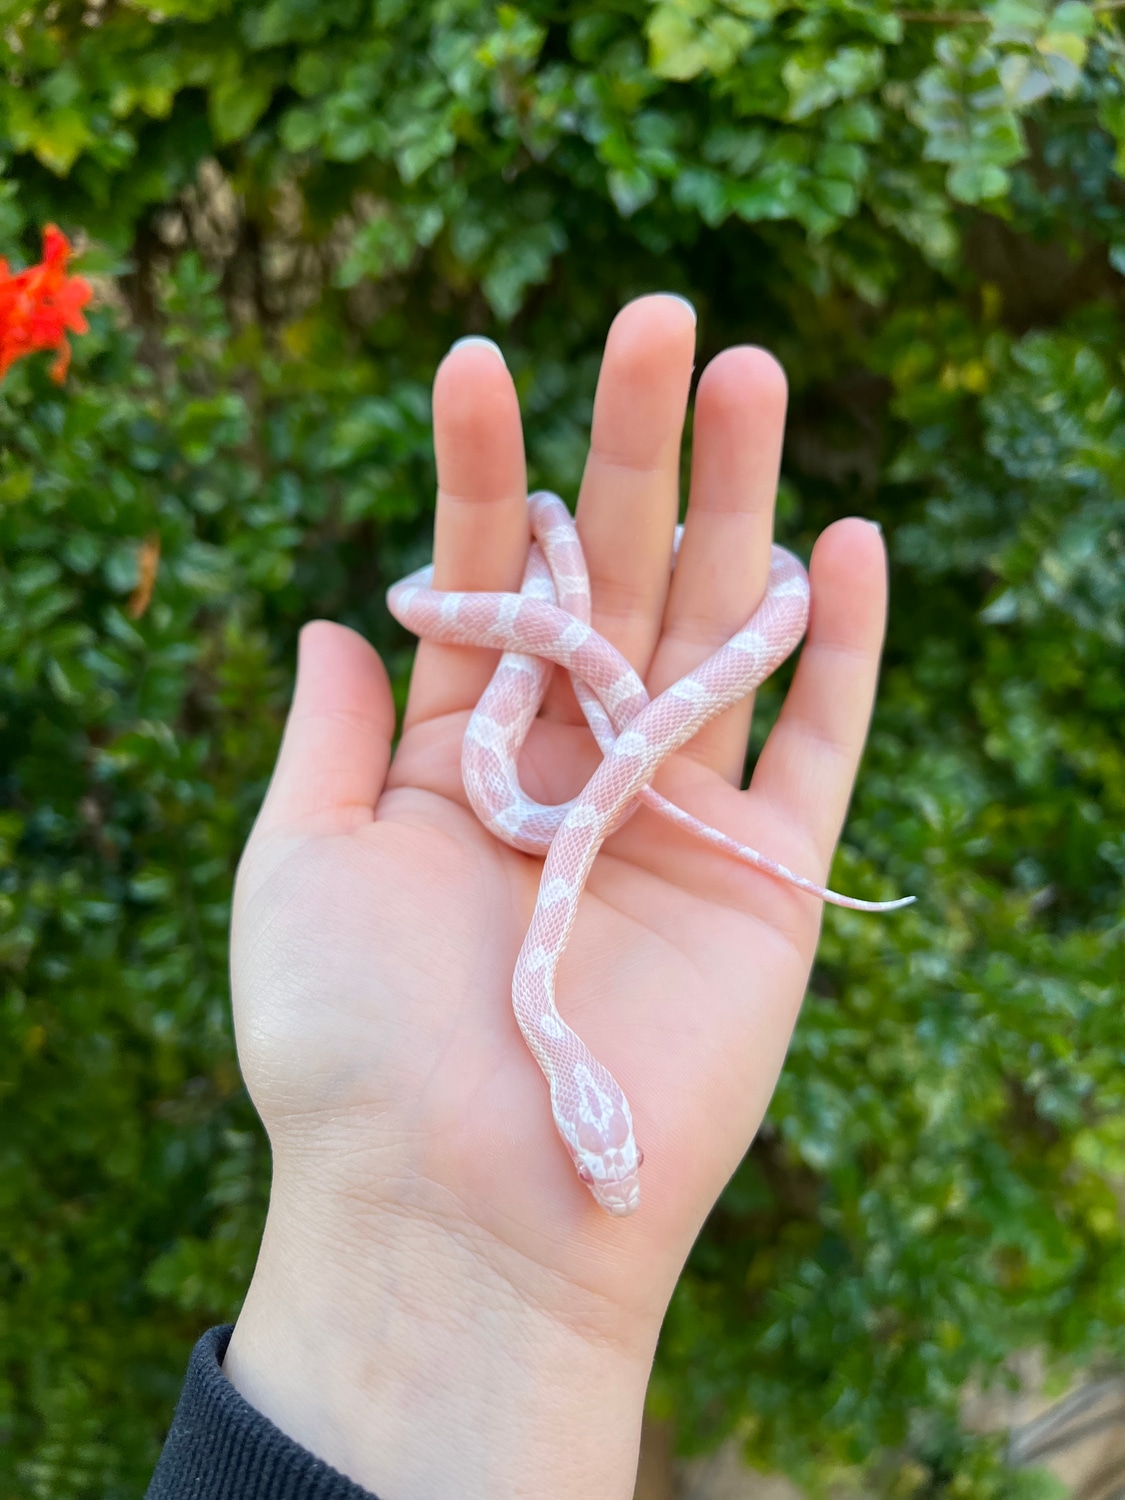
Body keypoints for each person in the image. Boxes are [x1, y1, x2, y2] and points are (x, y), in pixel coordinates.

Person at [147, 293, 894, 1499]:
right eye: (612, 1162)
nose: (611, 1176)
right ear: (579, 1097)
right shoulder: (535, 984)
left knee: (681, 601)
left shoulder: (551, 996)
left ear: (579, 1099)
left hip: (578, 691)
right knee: (570, 615)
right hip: (572, 698)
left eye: (600, 1163)